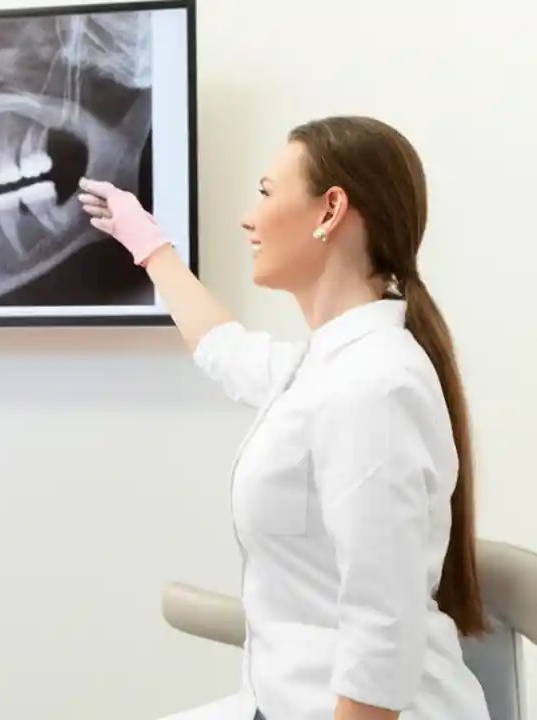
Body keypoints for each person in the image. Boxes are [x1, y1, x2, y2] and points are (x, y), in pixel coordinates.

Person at [78, 116, 490, 720]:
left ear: (330, 211)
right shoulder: (325, 367)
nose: (249, 218)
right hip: (283, 699)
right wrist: (150, 246)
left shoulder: (371, 386)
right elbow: (225, 348)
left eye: (267, 193)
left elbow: (382, 627)